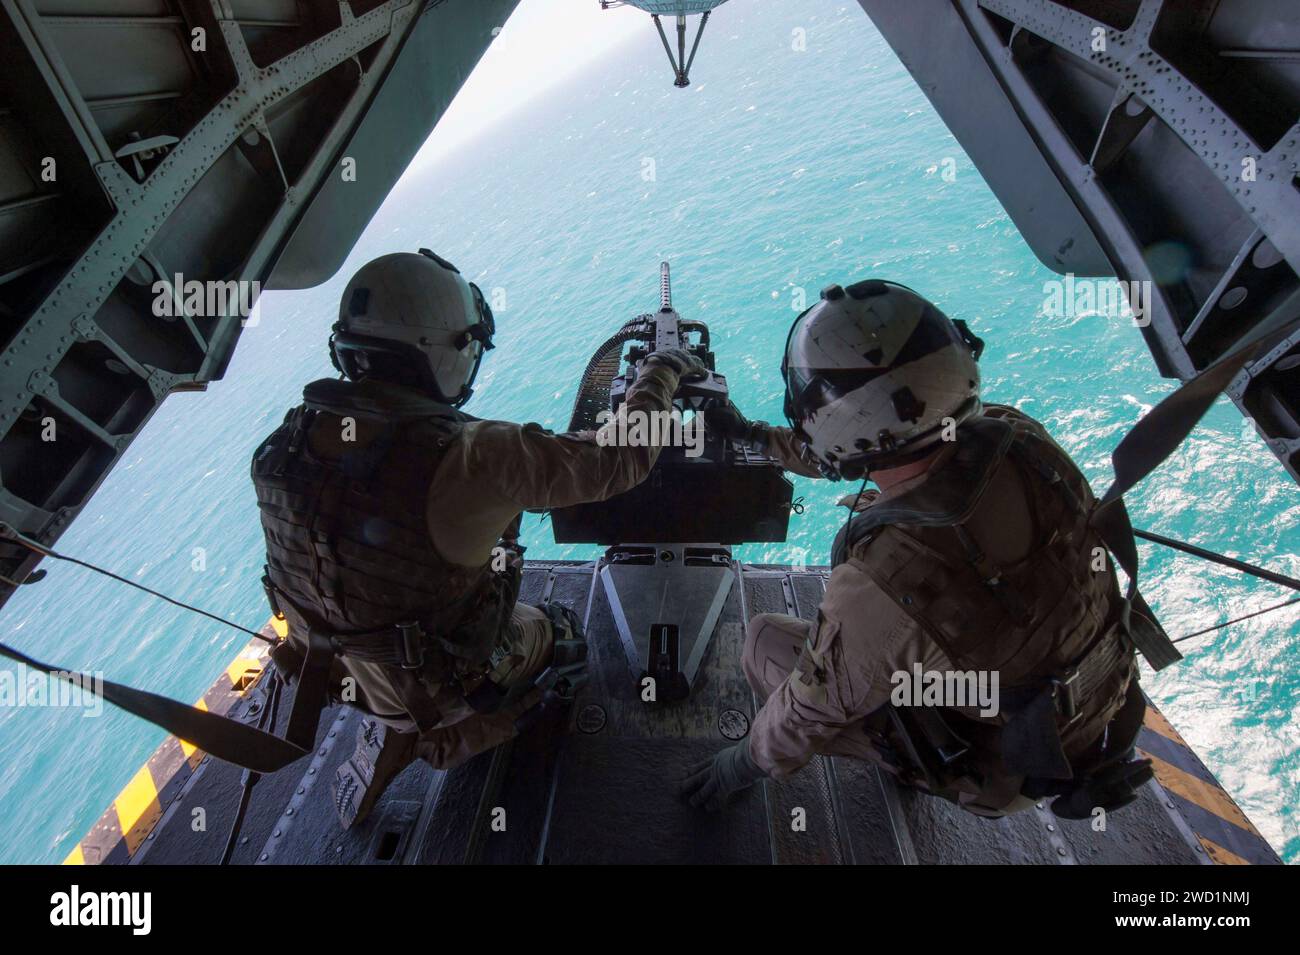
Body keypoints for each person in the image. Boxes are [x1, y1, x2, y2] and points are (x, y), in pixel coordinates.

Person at [252, 249, 705, 826]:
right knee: (563, 637)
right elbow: (624, 458)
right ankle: (443, 739)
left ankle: (397, 728)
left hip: (335, 673)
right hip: (433, 685)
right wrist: (661, 371)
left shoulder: (282, 445)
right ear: (444, 351)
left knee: (396, 648)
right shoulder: (475, 454)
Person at [684, 279, 1153, 819]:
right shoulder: (1016, 436)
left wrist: (737, 767)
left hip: (1013, 769)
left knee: (765, 643)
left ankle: (930, 770)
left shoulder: (888, 578)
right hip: (1104, 701)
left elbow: (805, 711)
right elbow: (884, 442)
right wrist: (754, 436)